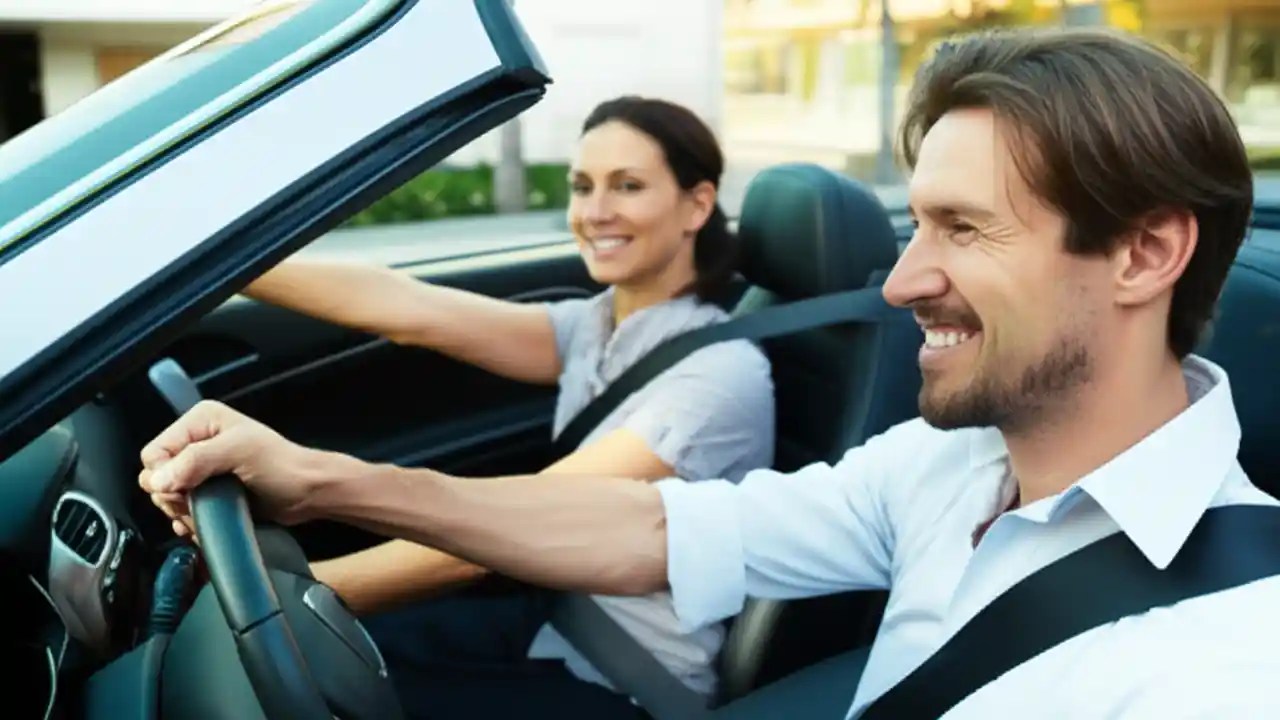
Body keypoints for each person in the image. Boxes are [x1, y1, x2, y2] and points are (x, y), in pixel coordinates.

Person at [140, 26, 1280, 718]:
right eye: (911, 227)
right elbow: (653, 533)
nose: (899, 284)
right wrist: (335, 485)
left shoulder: (1226, 665)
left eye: (963, 230)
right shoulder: (945, 461)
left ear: (1142, 254)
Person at [223, 96, 775, 716]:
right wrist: (223, 262)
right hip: (553, 618)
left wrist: (283, 604)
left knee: (326, 689)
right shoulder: (597, 328)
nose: (595, 212)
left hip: (627, 681)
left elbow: (515, 524)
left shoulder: (718, 377)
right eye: (581, 186)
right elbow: (410, 310)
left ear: (697, 204)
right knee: (337, 665)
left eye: (628, 186)